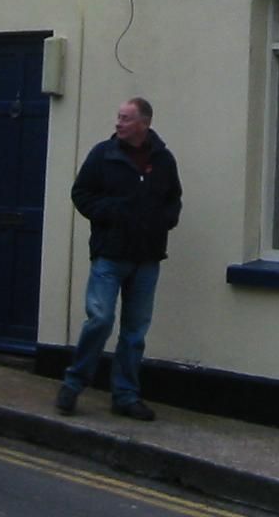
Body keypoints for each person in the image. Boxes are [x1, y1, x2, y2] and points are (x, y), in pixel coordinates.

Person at [56, 96, 182, 421]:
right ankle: (73, 383)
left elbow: (173, 199)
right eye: (118, 117)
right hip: (109, 255)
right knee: (99, 320)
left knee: (135, 332)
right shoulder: (103, 155)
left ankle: (125, 395)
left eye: (125, 118)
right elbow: (81, 194)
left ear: (144, 123)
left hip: (147, 257)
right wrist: (109, 214)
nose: (118, 123)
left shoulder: (163, 160)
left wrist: (164, 220)